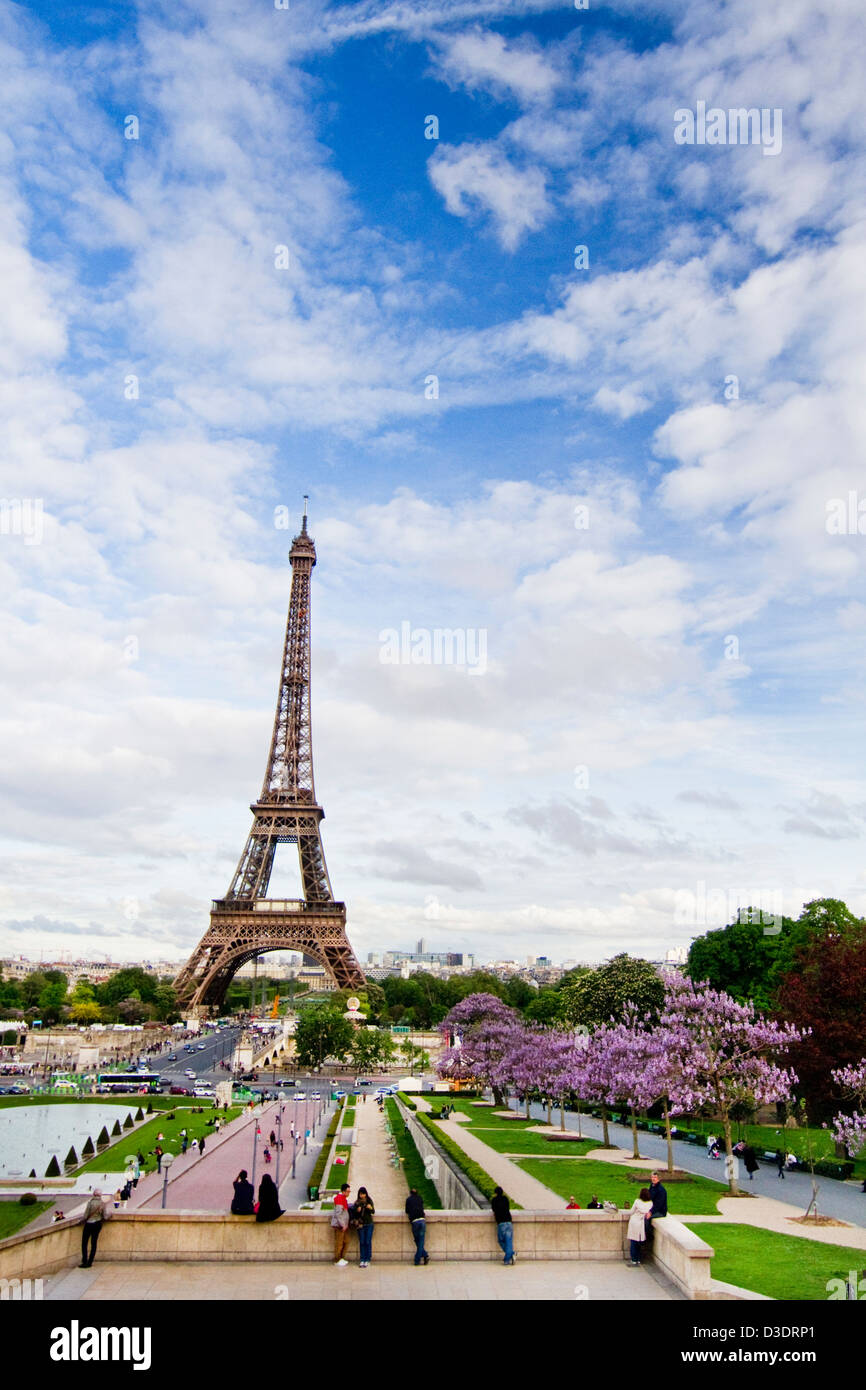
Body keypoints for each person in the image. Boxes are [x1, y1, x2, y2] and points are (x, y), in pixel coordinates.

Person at [79, 1190, 109, 1268]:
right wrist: (110, 1215)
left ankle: (84, 1260)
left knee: (84, 1243)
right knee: (94, 1243)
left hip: (89, 1224)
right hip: (97, 1224)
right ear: (100, 1195)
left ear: (93, 1194)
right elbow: (105, 1216)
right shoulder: (102, 1204)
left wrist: (80, 1221)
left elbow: (85, 1216)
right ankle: (90, 1262)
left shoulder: (90, 1203)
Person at [627, 1188, 653, 1266]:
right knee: (639, 1241)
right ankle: (638, 1258)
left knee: (633, 1241)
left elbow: (631, 1211)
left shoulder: (637, 1201)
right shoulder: (650, 1203)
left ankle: (634, 1259)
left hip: (634, 1222)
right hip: (642, 1223)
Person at [351, 1187, 375, 1267]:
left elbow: (373, 1211)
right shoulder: (357, 1203)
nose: (362, 1196)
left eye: (363, 1194)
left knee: (367, 1241)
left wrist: (370, 1208)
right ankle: (362, 1259)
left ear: (366, 1194)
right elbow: (354, 1214)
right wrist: (357, 1211)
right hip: (361, 1225)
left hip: (369, 1224)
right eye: (361, 1194)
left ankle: (367, 1259)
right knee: (362, 1242)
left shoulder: (369, 1201)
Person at [491, 1186, 515, 1265]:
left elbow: (494, 1210)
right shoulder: (505, 1199)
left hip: (501, 1223)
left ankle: (509, 1256)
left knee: (501, 1240)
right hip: (509, 1222)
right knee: (509, 1241)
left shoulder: (494, 1200)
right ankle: (510, 1255)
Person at [405, 1187, 429, 1265]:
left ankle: (417, 1260)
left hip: (415, 1222)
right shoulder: (420, 1198)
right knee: (420, 1241)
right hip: (422, 1221)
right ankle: (425, 1255)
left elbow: (407, 1211)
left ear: (410, 1193)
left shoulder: (408, 1200)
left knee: (417, 1240)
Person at [645, 1171, 668, 1251]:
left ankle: (648, 1237)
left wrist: (650, 1212)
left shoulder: (661, 1190)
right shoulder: (652, 1186)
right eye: (652, 1177)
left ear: (658, 1179)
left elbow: (658, 1204)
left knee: (647, 1218)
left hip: (660, 1211)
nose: (653, 1179)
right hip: (652, 1208)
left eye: (655, 1178)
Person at [332, 1182, 351, 1265]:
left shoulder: (343, 1199)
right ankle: (337, 1260)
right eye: (348, 1191)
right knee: (339, 1243)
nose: (349, 1193)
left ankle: (341, 1258)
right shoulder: (340, 1199)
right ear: (343, 1191)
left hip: (344, 1226)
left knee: (346, 1241)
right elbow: (338, 1214)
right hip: (340, 1226)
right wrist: (343, 1225)